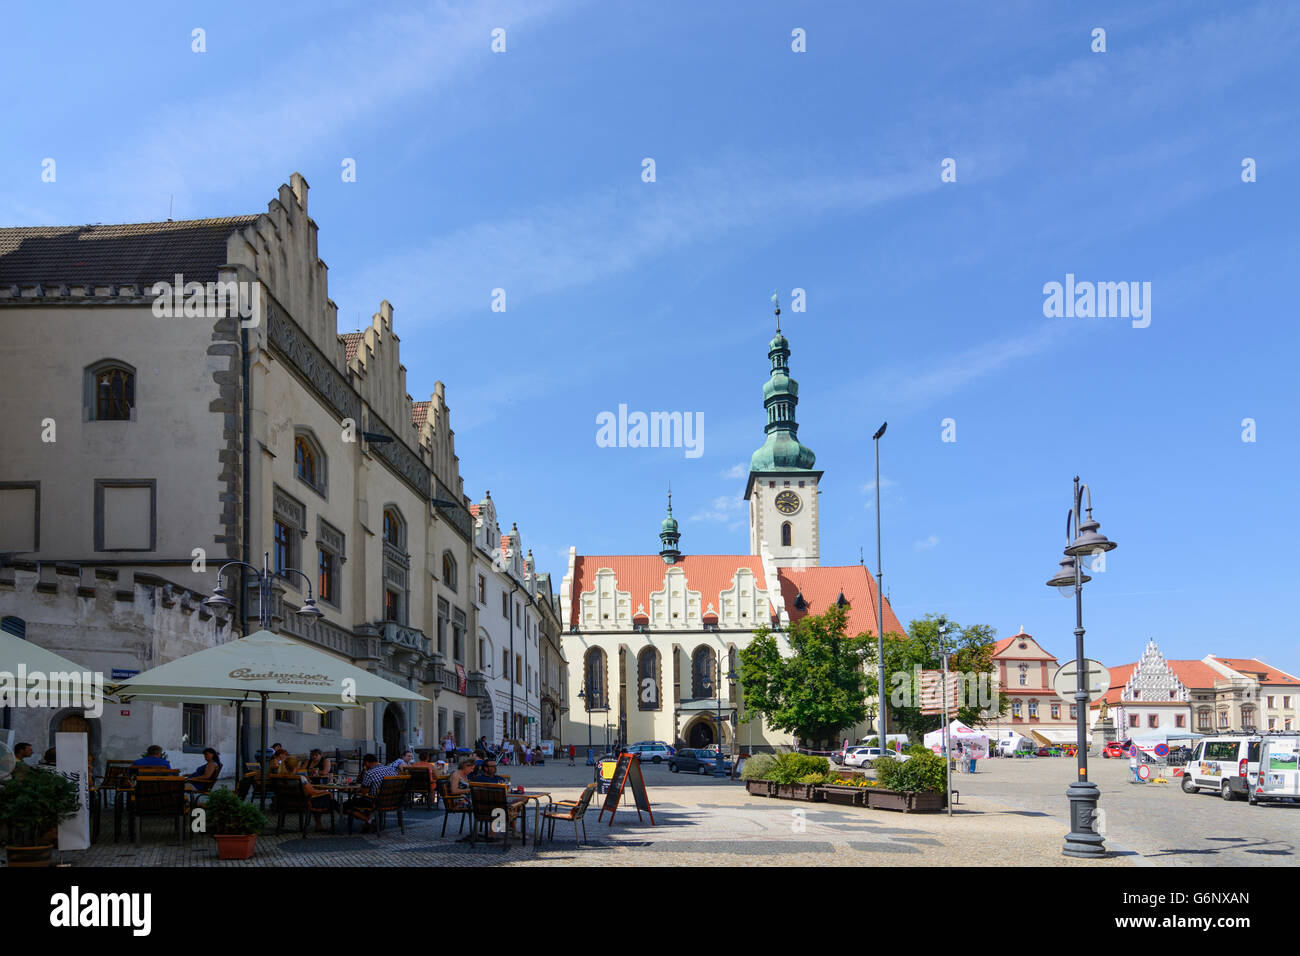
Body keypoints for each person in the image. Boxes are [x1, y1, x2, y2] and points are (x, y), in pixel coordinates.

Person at [342, 753, 403, 833]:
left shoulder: (369, 773)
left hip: (376, 802)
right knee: (365, 800)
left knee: (346, 806)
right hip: (394, 801)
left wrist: (356, 791)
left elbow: (364, 792)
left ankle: (368, 820)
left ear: (366, 763)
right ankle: (368, 824)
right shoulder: (391, 770)